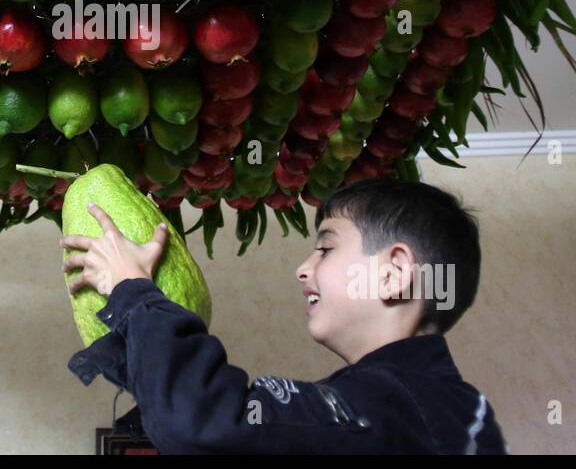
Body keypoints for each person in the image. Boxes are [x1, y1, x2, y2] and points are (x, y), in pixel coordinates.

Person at [63, 178, 507, 454]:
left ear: (392, 274)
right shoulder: (422, 408)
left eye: (327, 247)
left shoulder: (405, 404)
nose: (303, 268)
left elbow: (203, 425)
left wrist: (132, 291)